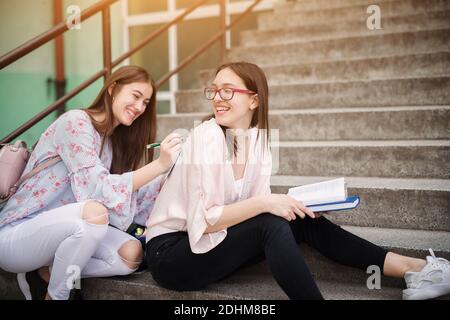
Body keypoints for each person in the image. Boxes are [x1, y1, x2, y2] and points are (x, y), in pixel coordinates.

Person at [144, 61, 450, 300]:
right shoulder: (205, 137)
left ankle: (418, 269)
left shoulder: (260, 142)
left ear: (254, 99)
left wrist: (291, 205)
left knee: (298, 217)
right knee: (271, 221)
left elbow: (255, 209)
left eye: (228, 90)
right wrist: (269, 203)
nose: (218, 99)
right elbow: (208, 221)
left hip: (212, 246)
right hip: (172, 256)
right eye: (214, 91)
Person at [0, 65, 182, 300]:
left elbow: (130, 198)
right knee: (94, 213)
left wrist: (174, 175)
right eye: (135, 96)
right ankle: (56, 296)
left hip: (66, 234)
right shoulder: (75, 123)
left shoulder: (109, 142)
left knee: (131, 253)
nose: (139, 108)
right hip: (19, 234)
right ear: (113, 89)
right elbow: (98, 190)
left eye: (145, 102)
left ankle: (49, 272)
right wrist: (158, 165)